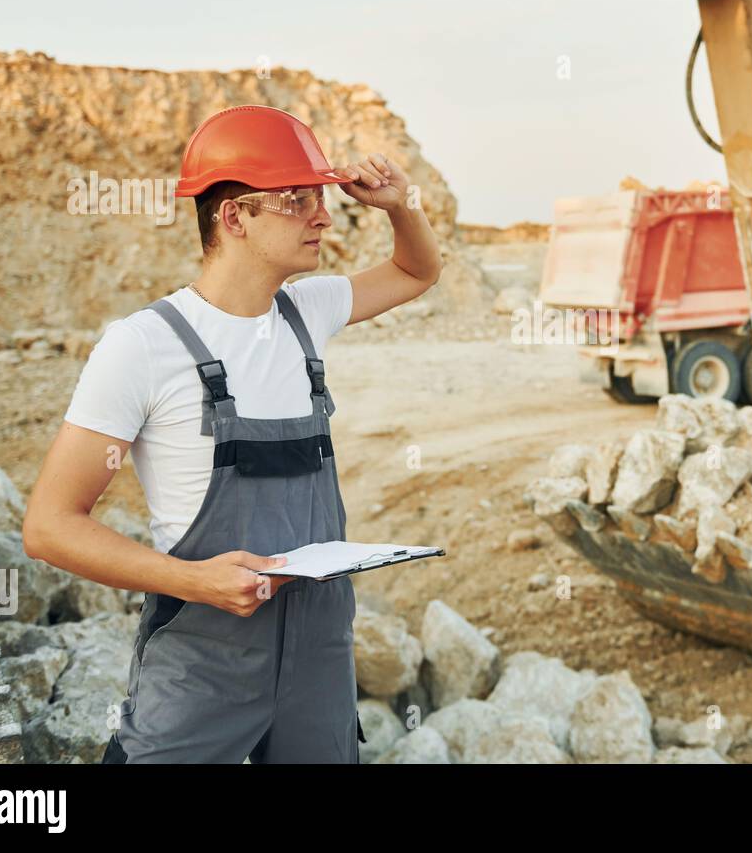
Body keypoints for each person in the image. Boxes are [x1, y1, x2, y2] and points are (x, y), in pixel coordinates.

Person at [22, 104, 441, 762]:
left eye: (321, 198)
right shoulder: (142, 346)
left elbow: (417, 272)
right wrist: (195, 582)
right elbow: (49, 525)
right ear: (235, 216)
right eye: (297, 200)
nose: (323, 216)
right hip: (205, 654)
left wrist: (398, 206)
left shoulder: (309, 313)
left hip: (320, 654)